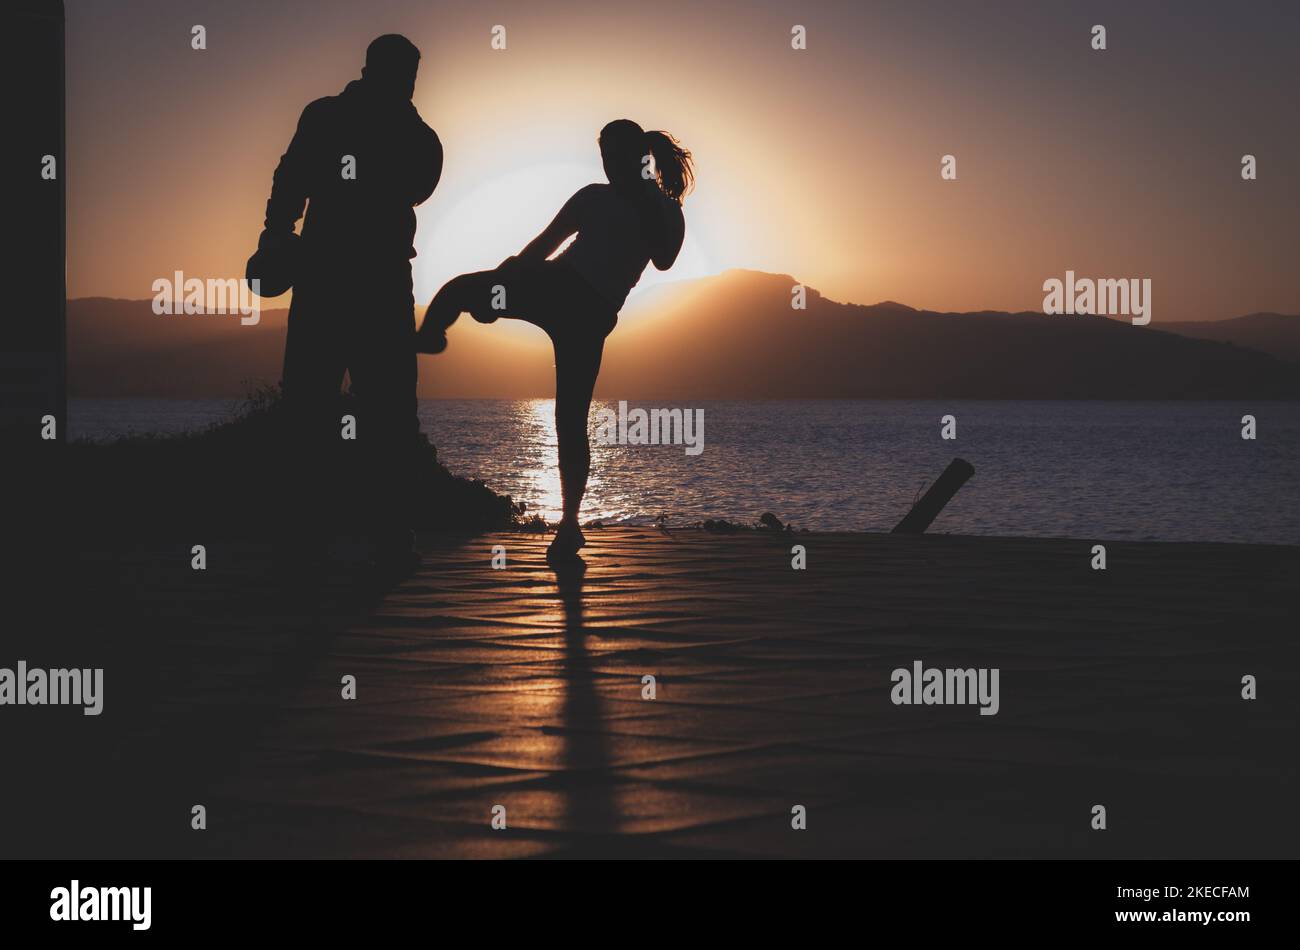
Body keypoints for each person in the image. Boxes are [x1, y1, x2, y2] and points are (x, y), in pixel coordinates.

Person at [417, 119, 692, 560]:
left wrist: (647, 199)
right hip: (555, 284)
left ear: (640, 158)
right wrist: (506, 280)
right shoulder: (592, 196)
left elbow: (663, 259)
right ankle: (428, 337)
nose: (610, 166)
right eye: (604, 157)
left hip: (592, 313)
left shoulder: (665, 210)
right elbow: (543, 245)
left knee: (570, 420)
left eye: (618, 157)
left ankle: (569, 526)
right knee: (458, 289)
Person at [258, 34, 443, 577]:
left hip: (347, 278)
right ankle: (364, 538)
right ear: (382, 71)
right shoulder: (411, 134)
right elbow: (412, 187)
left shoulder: (335, 118)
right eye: (404, 75)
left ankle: (326, 538)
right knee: (363, 410)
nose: (407, 84)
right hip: (364, 279)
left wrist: (276, 233)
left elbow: (293, 178)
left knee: (337, 409)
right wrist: (275, 234)